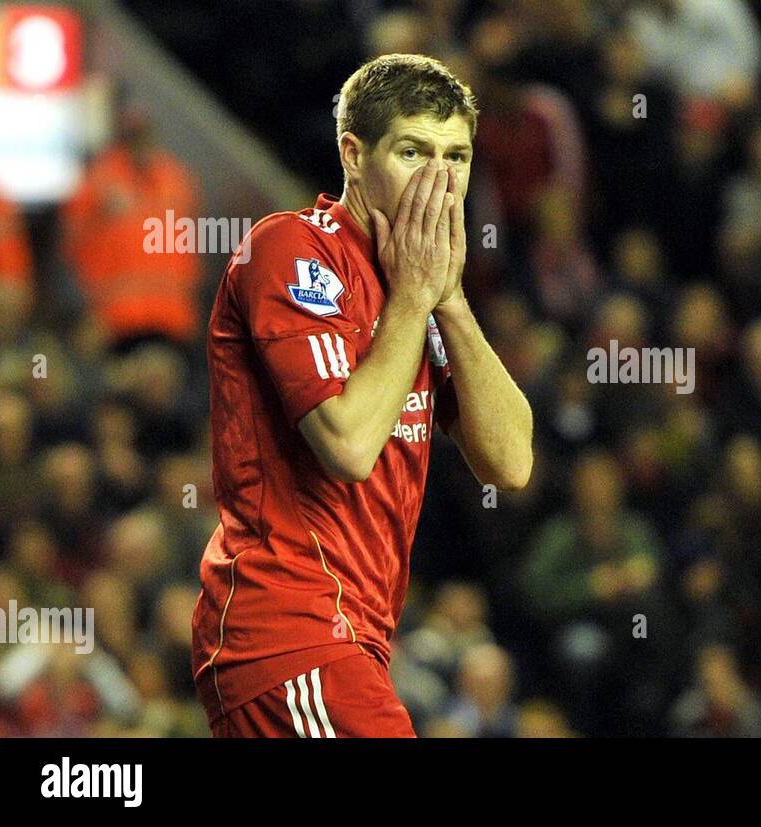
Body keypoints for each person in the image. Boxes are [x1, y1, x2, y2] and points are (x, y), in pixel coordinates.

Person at [191, 54, 533, 738]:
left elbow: (510, 461)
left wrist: (452, 301)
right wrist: (415, 297)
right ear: (353, 153)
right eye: (414, 151)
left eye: (456, 158)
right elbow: (348, 443)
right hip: (288, 633)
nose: (440, 180)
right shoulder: (289, 250)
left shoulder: (420, 291)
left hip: (358, 638)